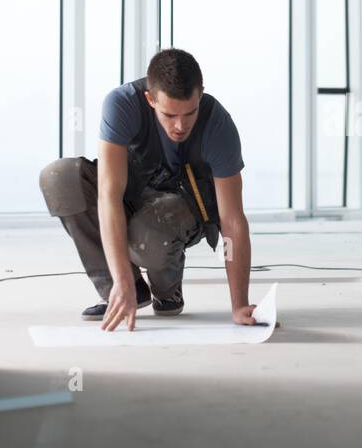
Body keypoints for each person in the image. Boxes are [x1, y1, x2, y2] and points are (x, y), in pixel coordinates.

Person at [38, 48, 255, 331]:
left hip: (178, 212)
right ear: (150, 99)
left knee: (155, 223)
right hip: (132, 197)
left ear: (200, 93)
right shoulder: (122, 104)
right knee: (59, 177)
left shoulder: (218, 125)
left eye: (189, 113)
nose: (180, 126)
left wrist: (239, 304)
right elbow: (108, 194)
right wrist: (121, 279)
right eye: (169, 115)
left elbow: (233, 222)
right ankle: (123, 291)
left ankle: (167, 292)